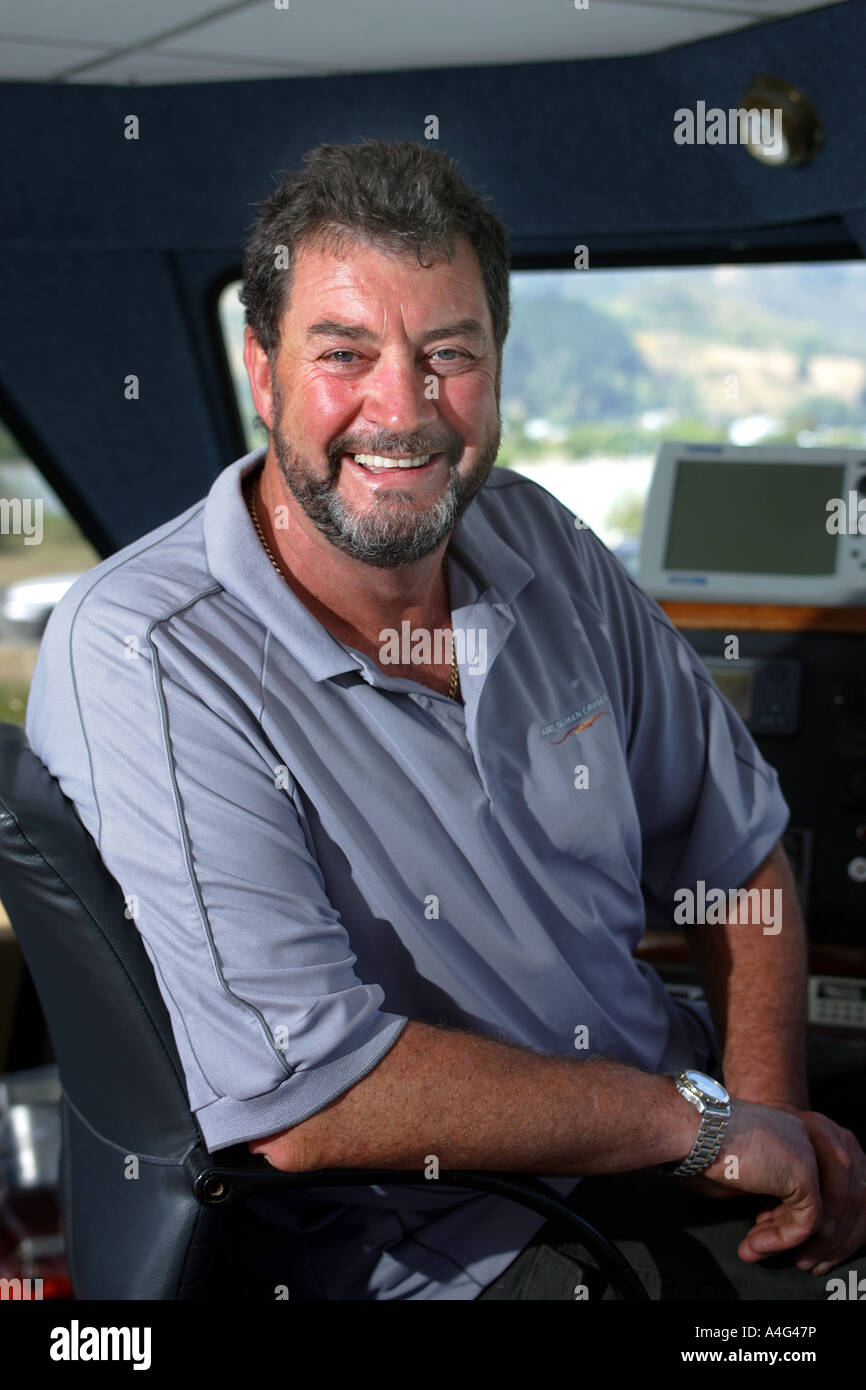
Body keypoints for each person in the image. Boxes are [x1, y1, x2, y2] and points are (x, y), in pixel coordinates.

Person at [26, 140, 866, 1301]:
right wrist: (705, 1130)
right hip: (447, 1239)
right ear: (261, 373)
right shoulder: (147, 650)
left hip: (660, 1119)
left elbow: (733, 853)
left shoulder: (539, 540)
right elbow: (318, 1100)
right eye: (344, 355)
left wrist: (763, 1113)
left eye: (448, 356)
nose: (403, 409)